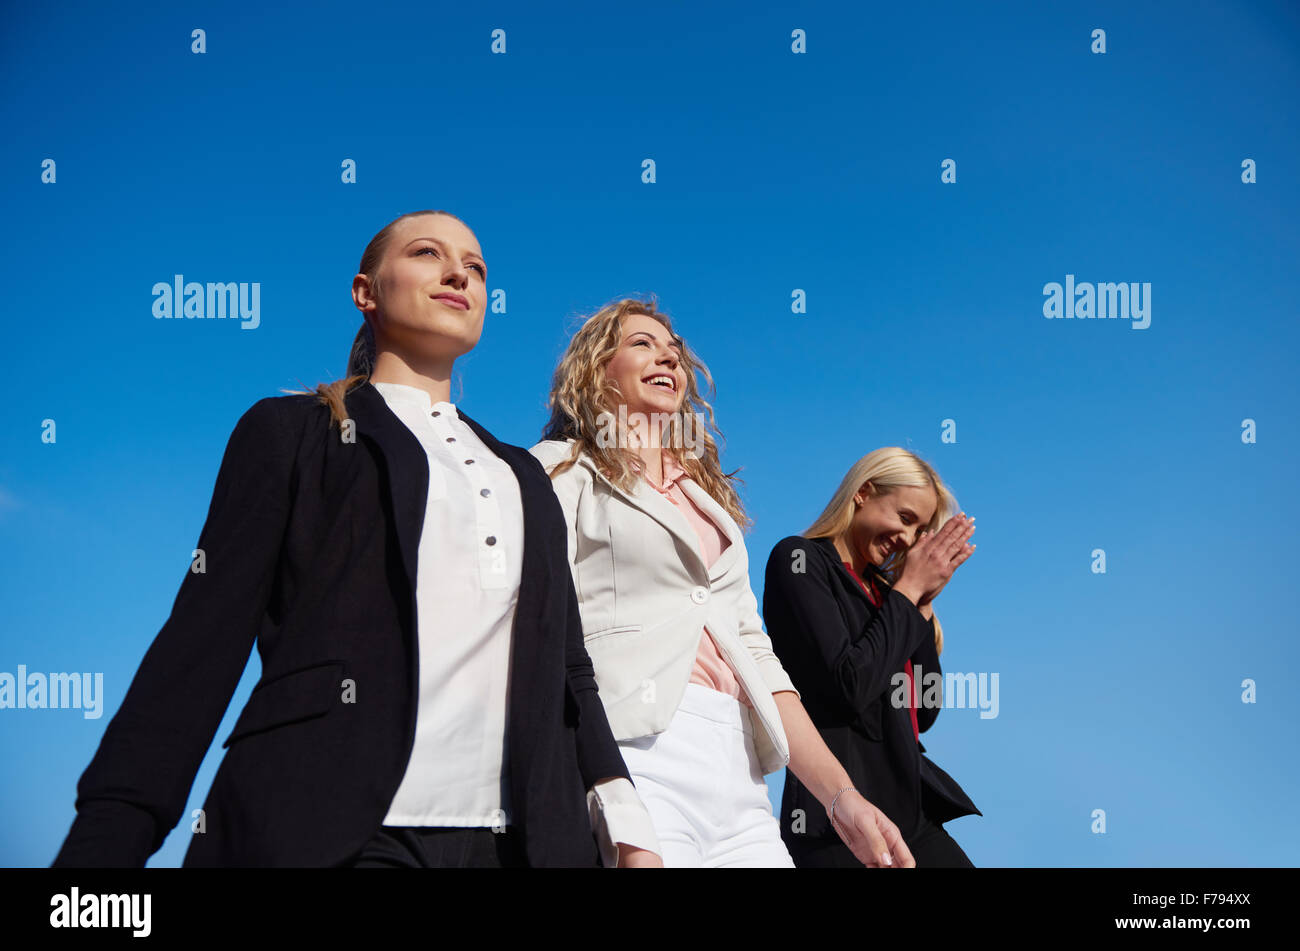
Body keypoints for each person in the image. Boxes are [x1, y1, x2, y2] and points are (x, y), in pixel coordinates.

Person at [51, 210, 659, 868]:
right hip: (330, 830)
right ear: (365, 291)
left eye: (477, 267)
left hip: (517, 842)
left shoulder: (525, 477)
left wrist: (626, 823)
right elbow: (198, 649)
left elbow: (571, 669)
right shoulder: (292, 433)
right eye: (429, 253)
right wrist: (99, 856)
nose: (460, 272)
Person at [529, 297, 915, 868]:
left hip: (735, 766)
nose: (667, 357)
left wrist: (841, 798)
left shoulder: (709, 506)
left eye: (674, 350)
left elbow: (756, 656)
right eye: (641, 344)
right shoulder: (560, 470)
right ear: (596, 368)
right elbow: (537, 624)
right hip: (634, 748)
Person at [762, 448, 981, 867]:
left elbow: (924, 709)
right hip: (838, 817)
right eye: (904, 518)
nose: (907, 539)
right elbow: (849, 686)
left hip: (912, 811)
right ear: (863, 493)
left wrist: (921, 605)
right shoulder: (800, 562)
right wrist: (906, 593)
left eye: (918, 532)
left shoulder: (886, 593)